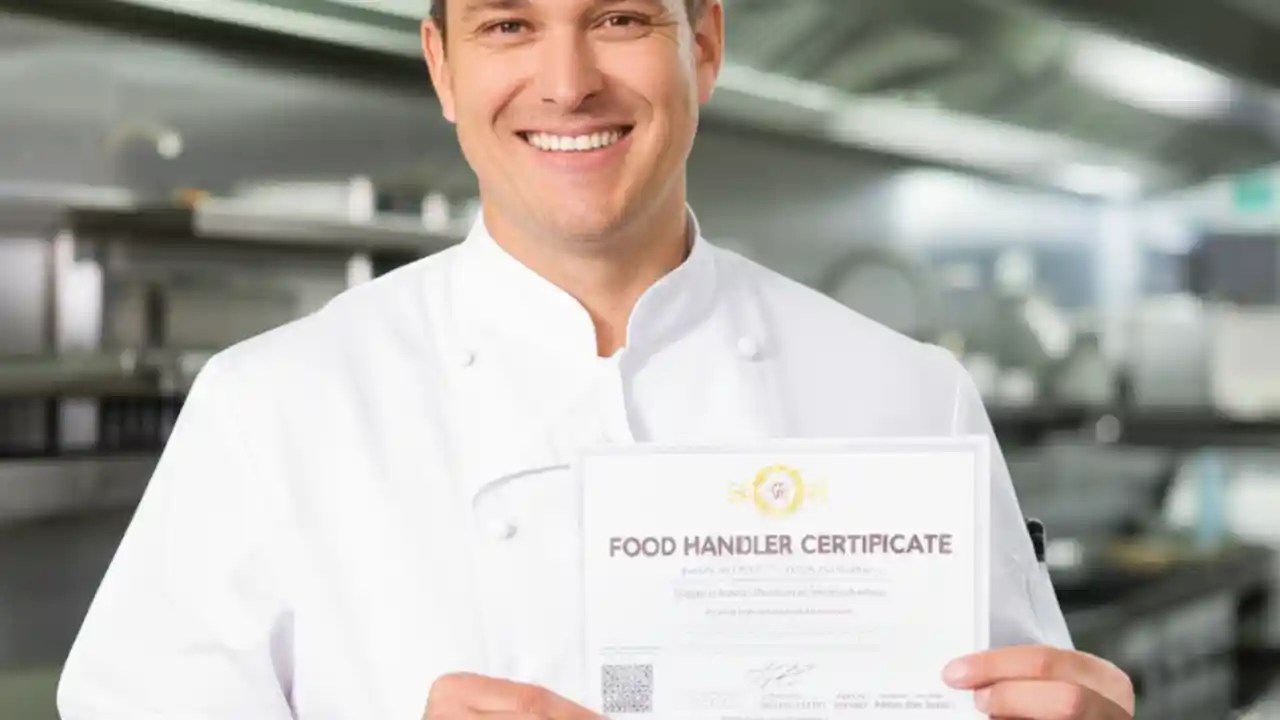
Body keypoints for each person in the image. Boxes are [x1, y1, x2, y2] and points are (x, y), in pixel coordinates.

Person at [58, 0, 1136, 717]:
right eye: (508, 25)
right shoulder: (270, 408)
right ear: (441, 65)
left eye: (618, 16)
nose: (566, 83)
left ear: (702, 43)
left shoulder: (907, 395)